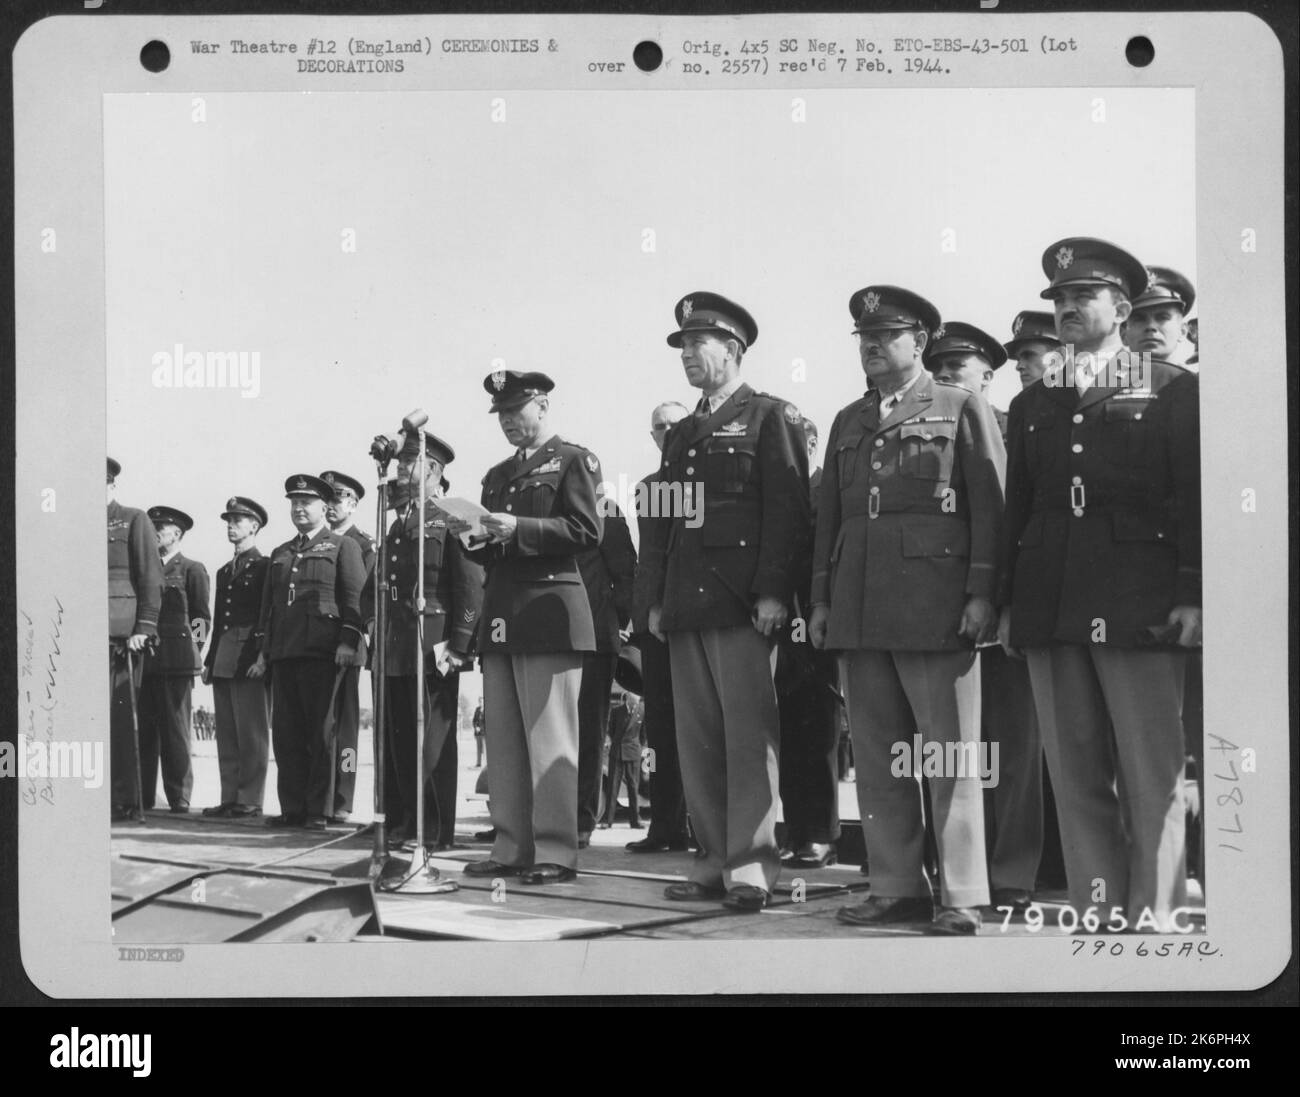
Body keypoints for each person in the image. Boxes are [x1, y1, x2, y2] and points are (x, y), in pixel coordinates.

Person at [999, 238, 1201, 932]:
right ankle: (1098, 907)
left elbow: (1193, 498)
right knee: (1076, 770)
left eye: (1081, 296)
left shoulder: (1172, 386)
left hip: (1138, 602)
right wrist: (1005, 605)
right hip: (1052, 604)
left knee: (1152, 770)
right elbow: (1017, 510)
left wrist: (1193, 593)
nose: (1066, 309)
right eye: (1057, 299)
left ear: (1121, 307)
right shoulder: (1032, 402)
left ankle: (1157, 909)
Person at [810, 285, 1004, 935]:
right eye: (863, 336)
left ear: (918, 343)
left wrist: (982, 593)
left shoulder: (959, 406)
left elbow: (991, 508)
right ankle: (895, 886)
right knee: (877, 753)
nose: (870, 346)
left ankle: (962, 892)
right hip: (860, 610)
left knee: (949, 755)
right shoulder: (847, 420)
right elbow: (829, 521)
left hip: (937, 607)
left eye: (885, 335)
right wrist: (820, 599)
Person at [641, 292, 810, 912]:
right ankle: (711, 859)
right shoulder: (681, 431)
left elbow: (788, 513)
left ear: (733, 349)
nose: (686, 355)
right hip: (686, 606)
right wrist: (654, 600)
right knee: (699, 742)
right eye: (682, 346)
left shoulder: (771, 416)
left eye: (697, 344)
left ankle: (752, 866)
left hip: (743, 605)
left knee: (747, 740)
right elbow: (662, 521)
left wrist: (773, 592)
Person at [455, 370, 603, 885]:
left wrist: (520, 528)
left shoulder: (573, 461)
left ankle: (556, 851)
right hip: (502, 613)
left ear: (542, 406)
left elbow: (587, 530)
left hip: (549, 612)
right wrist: (472, 537)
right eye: (501, 415)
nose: (508, 423)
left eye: (516, 412)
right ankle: (511, 846)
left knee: (549, 738)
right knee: (506, 742)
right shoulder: (496, 475)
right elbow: (491, 543)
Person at [924, 322, 1044, 911]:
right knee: (950, 753)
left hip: (1004, 614)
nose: (946, 377)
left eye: (958, 367)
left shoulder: (1013, 425)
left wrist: (1007, 604)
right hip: (944, 618)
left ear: (988, 376)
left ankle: (1015, 873)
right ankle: (953, 872)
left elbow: (1018, 523)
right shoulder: (921, 432)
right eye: (938, 367)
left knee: (1015, 747)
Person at [364, 429, 483, 851]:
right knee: (398, 736)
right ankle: (401, 821)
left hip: (434, 643)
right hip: (396, 644)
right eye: (398, 463)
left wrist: (461, 643)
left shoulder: (453, 515)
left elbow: (471, 583)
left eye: (406, 463)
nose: (398, 470)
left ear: (432, 469)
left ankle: (432, 829)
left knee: (432, 739)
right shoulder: (398, 521)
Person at [250, 474, 366, 830]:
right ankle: (293, 807)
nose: (299, 508)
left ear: (324, 508)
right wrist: (263, 651)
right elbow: (268, 609)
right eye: (294, 503)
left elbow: (354, 599)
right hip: (285, 652)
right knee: (287, 734)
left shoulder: (341, 546)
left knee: (322, 734)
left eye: (307, 503)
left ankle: (319, 808)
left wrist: (349, 640)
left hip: (324, 652)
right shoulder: (281, 552)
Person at [627, 401, 692, 854]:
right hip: (658, 624)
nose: (667, 432)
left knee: (706, 728)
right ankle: (666, 826)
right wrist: (652, 609)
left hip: (704, 616)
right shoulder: (652, 486)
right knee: (663, 728)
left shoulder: (707, 480)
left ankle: (706, 829)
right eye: (659, 427)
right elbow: (650, 555)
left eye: (675, 424)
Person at [776, 416, 842, 868]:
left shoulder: (825, 490)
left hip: (817, 622)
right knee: (782, 732)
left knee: (818, 733)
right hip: (780, 624)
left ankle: (820, 833)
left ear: (813, 442)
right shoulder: (780, 494)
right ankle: (796, 830)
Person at [201, 497, 272, 818]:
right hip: (224, 660)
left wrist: (263, 656)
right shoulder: (223, 570)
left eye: (238, 521)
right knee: (227, 734)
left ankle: (250, 799)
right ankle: (229, 796)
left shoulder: (265, 566)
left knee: (252, 734)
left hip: (249, 660)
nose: (231, 526)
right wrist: (209, 660)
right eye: (228, 521)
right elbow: (219, 621)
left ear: (254, 526)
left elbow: (265, 615)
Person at [138, 506, 210, 813]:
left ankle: (179, 797)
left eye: (160, 529)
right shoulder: (143, 568)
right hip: (147, 661)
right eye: (152, 528)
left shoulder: (192, 569)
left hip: (178, 661)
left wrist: (194, 648)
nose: (154, 534)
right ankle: (141, 796)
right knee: (145, 731)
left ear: (177, 534)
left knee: (177, 732)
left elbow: (200, 616)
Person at [576, 496, 636, 847]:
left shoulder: (603, 510)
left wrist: (616, 622)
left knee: (587, 732)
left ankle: (581, 820)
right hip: (550, 637)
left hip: (595, 637)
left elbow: (626, 572)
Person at [107, 458, 163, 822]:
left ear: (110, 484)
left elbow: (150, 577)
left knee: (121, 719)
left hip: (122, 636)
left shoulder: (132, 518)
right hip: (80, 637)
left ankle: (124, 799)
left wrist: (144, 627)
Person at [320, 470, 376, 824]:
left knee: (346, 731)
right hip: (316, 646)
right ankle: (321, 796)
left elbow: (361, 598)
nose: (331, 505)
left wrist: (351, 637)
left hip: (348, 645)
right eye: (327, 497)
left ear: (353, 504)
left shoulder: (364, 544)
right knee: (321, 728)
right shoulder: (317, 541)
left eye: (338, 497)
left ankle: (343, 797)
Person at [602, 690, 645, 828]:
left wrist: (639, 748)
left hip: (633, 753)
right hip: (617, 752)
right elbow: (611, 731)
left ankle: (635, 820)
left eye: (637, 701)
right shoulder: (616, 711)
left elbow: (643, 734)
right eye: (634, 701)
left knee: (633, 787)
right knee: (612, 788)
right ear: (628, 699)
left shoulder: (642, 711)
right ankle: (608, 821)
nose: (636, 704)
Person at [1003, 310, 1062, 392]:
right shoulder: (1022, 404)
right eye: (1018, 359)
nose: (1019, 366)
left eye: (1028, 356)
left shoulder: (1082, 402)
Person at [472, 698, 485, 767]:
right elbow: (474, 720)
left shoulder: (486, 709)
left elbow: (487, 722)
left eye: (482, 701)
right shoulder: (477, 709)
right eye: (479, 701)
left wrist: (481, 728)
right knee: (478, 748)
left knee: (484, 749)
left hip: (484, 733)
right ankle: (478, 763)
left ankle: (486, 764)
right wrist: (475, 727)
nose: (480, 703)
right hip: (477, 733)